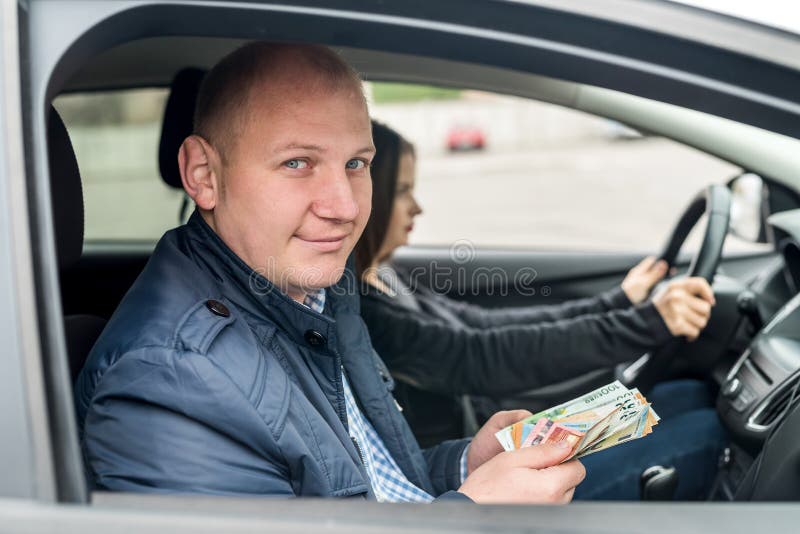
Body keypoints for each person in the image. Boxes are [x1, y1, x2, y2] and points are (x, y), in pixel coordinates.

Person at [73, 42, 586, 503]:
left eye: (357, 164)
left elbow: (369, 487)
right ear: (204, 176)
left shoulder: (308, 293)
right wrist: (477, 516)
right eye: (297, 163)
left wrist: (462, 467)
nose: (344, 207)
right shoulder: (171, 381)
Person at [356, 121, 727, 500]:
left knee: (687, 394)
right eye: (402, 191)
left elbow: (483, 325)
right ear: (371, 196)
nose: (417, 206)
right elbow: (481, 354)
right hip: (483, 475)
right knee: (713, 433)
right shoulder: (367, 316)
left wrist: (618, 303)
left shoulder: (387, 274)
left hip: (491, 445)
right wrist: (646, 323)